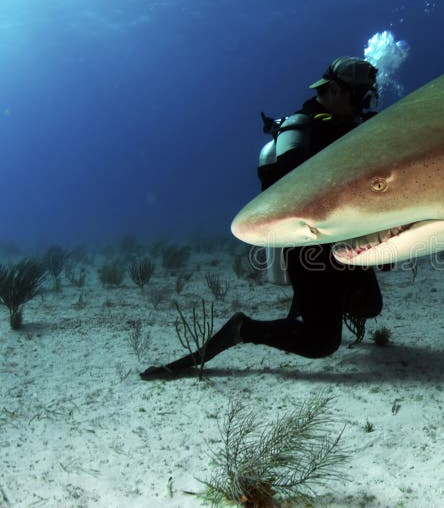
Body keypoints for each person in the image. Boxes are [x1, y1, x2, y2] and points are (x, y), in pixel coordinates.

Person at [141, 57, 383, 379]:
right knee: (320, 343)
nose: (363, 106)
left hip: (344, 237)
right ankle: (244, 329)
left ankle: (325, 304)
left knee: (370, 305)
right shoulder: (302, 127)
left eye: (368, 98)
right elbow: (296, 189)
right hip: (306, 246)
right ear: (335, 90)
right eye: (359, 97)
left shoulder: (347, 129)